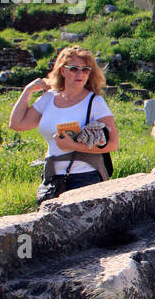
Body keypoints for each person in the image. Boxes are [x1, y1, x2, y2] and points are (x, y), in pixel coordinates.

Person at [10, 46, 119, 201]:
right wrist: (28, 91)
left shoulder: (95, 102)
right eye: (74, 69)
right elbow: (17, 123)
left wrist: (73, 146)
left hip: (86, 176)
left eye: (85, 69)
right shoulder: (48, 98)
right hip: (52, 178)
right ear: (62, 71)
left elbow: (113, 144)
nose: (80, 74)